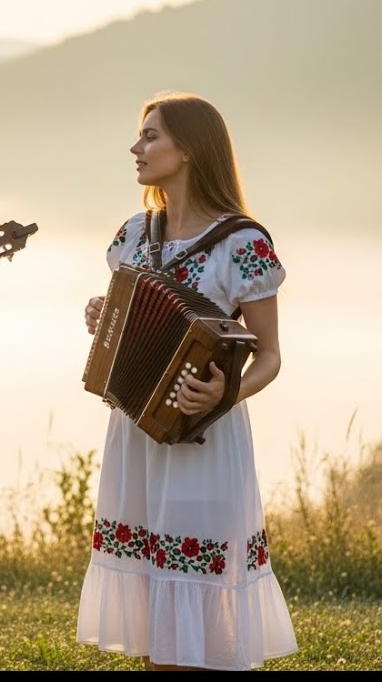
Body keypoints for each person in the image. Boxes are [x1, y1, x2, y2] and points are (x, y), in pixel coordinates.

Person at [77, 91, 297, 670]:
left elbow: (270, 355)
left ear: (190, 150)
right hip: (136, 433)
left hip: (204, 437)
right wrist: (104, 319)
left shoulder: (243, 244)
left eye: (151, 135)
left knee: (202, 610)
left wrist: (228, 391)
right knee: (156, 617)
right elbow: (130, 326)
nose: (136, 147)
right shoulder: (133, 234)